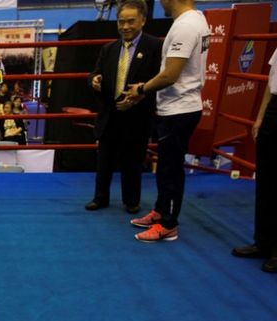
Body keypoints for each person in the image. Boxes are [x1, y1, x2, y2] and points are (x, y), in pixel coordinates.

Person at [122, 0, 209, 242]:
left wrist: (141, 89)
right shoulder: (194, 20)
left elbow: (171, 74)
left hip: (180, 109)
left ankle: (169, 224)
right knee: (166, 166)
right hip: (177, 106)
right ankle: (161, 212)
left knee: (171, 168)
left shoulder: (186, 25)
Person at [85, 0, 161, 214]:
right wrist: (95, 81)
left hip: (138, 114)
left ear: (143, 20)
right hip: (110, 112)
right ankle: (100, 198)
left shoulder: (154, 46)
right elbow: (93, 74)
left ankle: (131, 201)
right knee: (104, 161)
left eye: (130, 21)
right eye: (121, 21)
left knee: (133, 160)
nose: (125, 26)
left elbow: (160, 81)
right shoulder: (109, 48)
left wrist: (138, 98)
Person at [231, 48, 277, 273]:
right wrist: (260, 117)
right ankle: (263, 243)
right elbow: (271, 82)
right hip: (273, 111)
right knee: (265, 181)